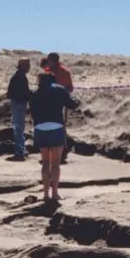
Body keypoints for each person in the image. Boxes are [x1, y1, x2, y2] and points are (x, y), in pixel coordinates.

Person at [29, 72, 80, 202]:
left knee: (45, 162)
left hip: (40, 129)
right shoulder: (59, 89)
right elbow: (73, 105)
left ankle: (45, 194)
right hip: (56, 128)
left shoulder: (35, 94)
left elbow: (32, 114)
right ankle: (55, 193)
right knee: (55, 163)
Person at [44, 52, 75, 163]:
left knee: (59, 127)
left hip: (59, 103)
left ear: (53, 60)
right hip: (52, 103)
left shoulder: (62, 71)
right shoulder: (51, 70)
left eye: (49, 60)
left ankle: (62, 152)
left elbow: (67, 88)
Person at [7, 59, 32, 161]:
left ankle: (21, 149)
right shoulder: (20, 77)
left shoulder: (17, 76)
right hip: (19, 104)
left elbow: (9, 93)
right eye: (27, 65)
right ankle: (19, 152)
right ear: (22, 66)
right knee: (19, 128)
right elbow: (22, 92)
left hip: (17, 103)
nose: (29, 67)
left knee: (19, 128)